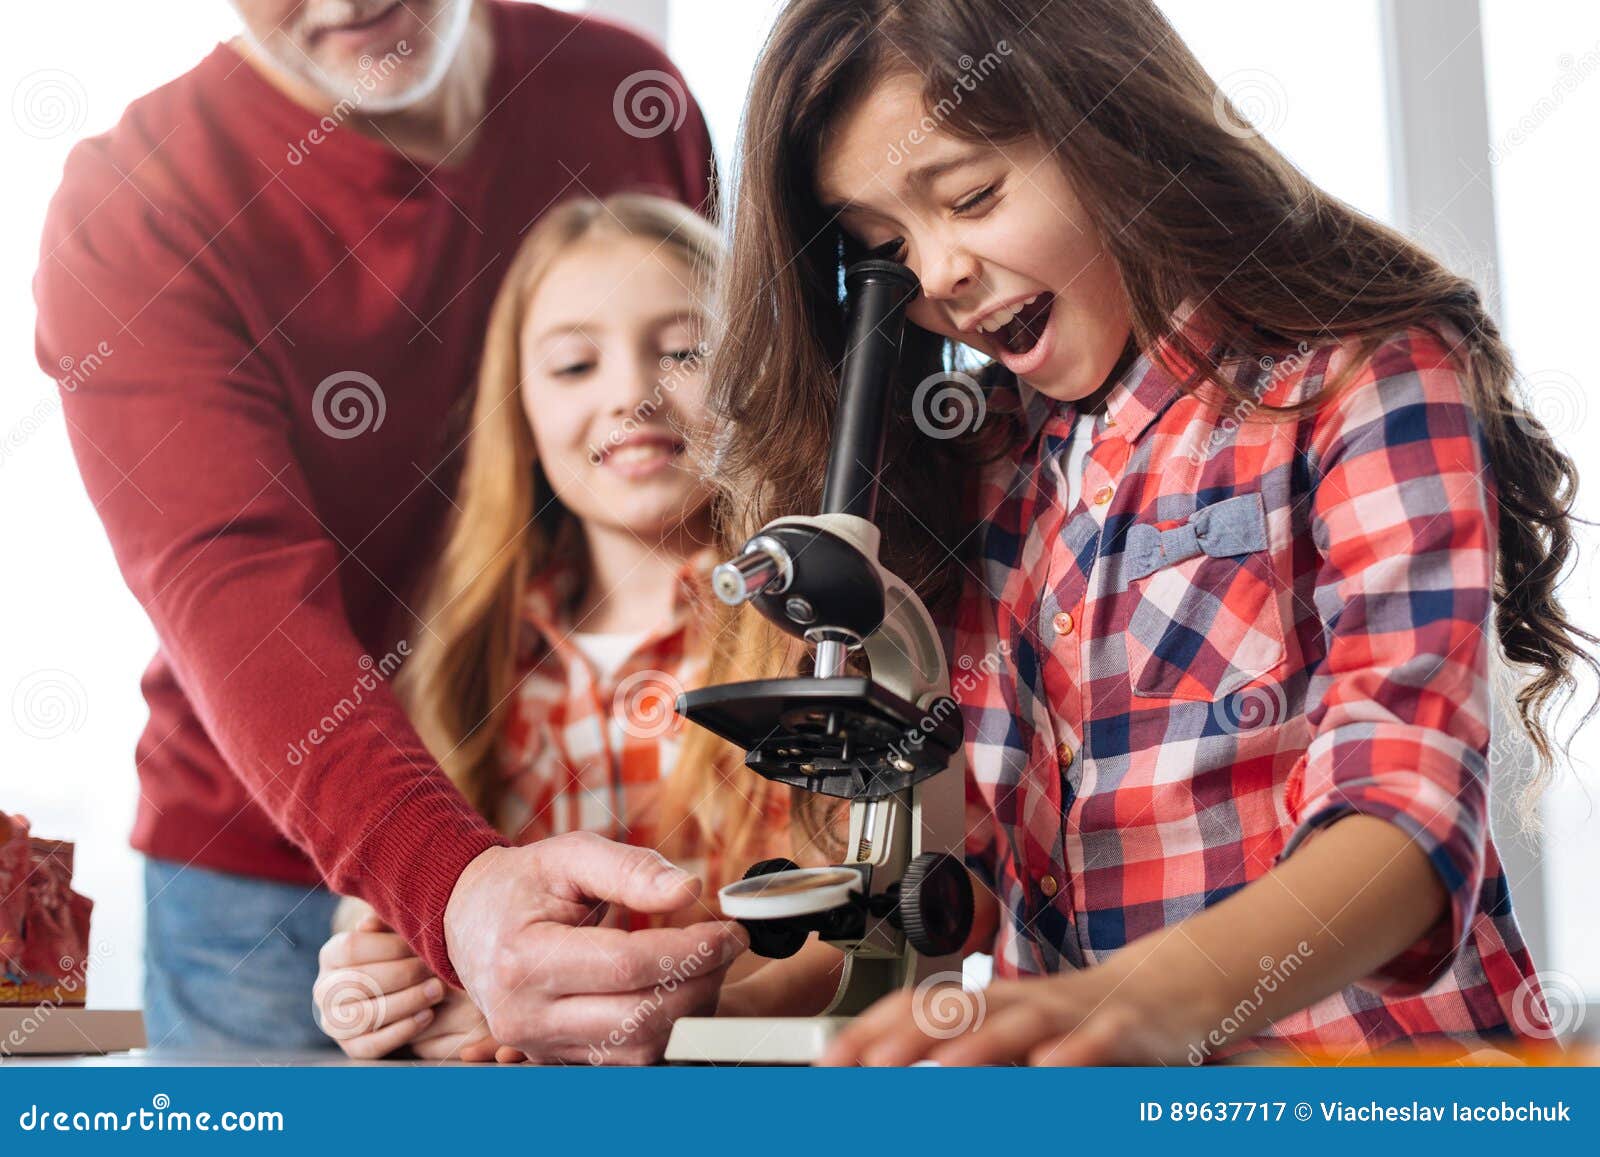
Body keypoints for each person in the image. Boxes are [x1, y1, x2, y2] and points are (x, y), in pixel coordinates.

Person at [703, 0, 1597, 1065]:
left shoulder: (1362, 376)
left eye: (972, 196)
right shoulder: (983, 462)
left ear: (1107, 125)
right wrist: (736, 991)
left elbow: (1403, 822)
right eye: (885, 246)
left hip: (1376, 1078)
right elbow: (966, 873)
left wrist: (1148, 1000)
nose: (937, 274)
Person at [32, 0, 735, 1053]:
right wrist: (453, 890)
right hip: (270, 874)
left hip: (580, 807)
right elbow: (234, 595)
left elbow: (737, 417)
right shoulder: (137, 203)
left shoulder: (625, 102)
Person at [311, 194, 838, 1063]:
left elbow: (855, 940)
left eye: (683, 351)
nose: (633, 392)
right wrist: (377, 982)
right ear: (518, 414)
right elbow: (395, 915)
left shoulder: (811, 632)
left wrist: (684, 1027)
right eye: (572, 365)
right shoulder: (470, 659)